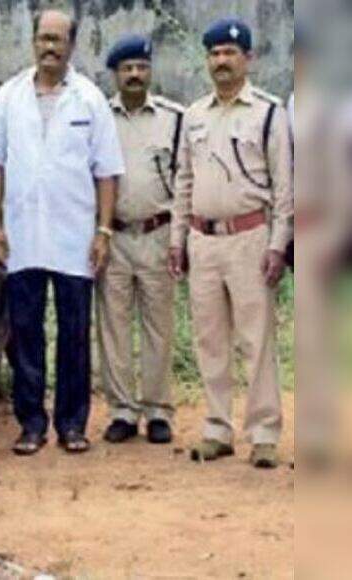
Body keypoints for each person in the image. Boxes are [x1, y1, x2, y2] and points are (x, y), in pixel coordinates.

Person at [0, 9, 124, 456]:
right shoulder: (10, 96)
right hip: (21, 237)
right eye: (43, 38)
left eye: (58, 39)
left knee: (75, 333)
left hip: (75, 237)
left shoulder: (90, 98)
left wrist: (102, 231)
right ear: (33, 42)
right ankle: (32, 424)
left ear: (72, 45)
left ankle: (73, 424)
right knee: (25, 333)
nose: (49, 47)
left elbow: (108, 172)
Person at [169, 18, 293, 469]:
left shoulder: (268, 113)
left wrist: (279, 244)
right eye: (215, 54)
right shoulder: (194, 115)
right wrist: (177, 238)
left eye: (229, 53)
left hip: (250, 239)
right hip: (203, 240)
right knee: (210, 339)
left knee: (255, 340)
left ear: (248, 59)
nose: (221, 61)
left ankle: (263, 433)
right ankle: (217, 429)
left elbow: (285, 188)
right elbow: (182, 180)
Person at [96, 34, 184, 445]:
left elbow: (186, 181)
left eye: (141, 67)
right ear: (115, 73)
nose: (134, 74)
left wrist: (180, 239)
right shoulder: (98, 116)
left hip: (157, 234)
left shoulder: (174, 118)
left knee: (158, 326)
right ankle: (122, 411)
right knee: (112, 325)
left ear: (150, 71)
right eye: (127, 68)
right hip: (112, 234)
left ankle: (157, 410)